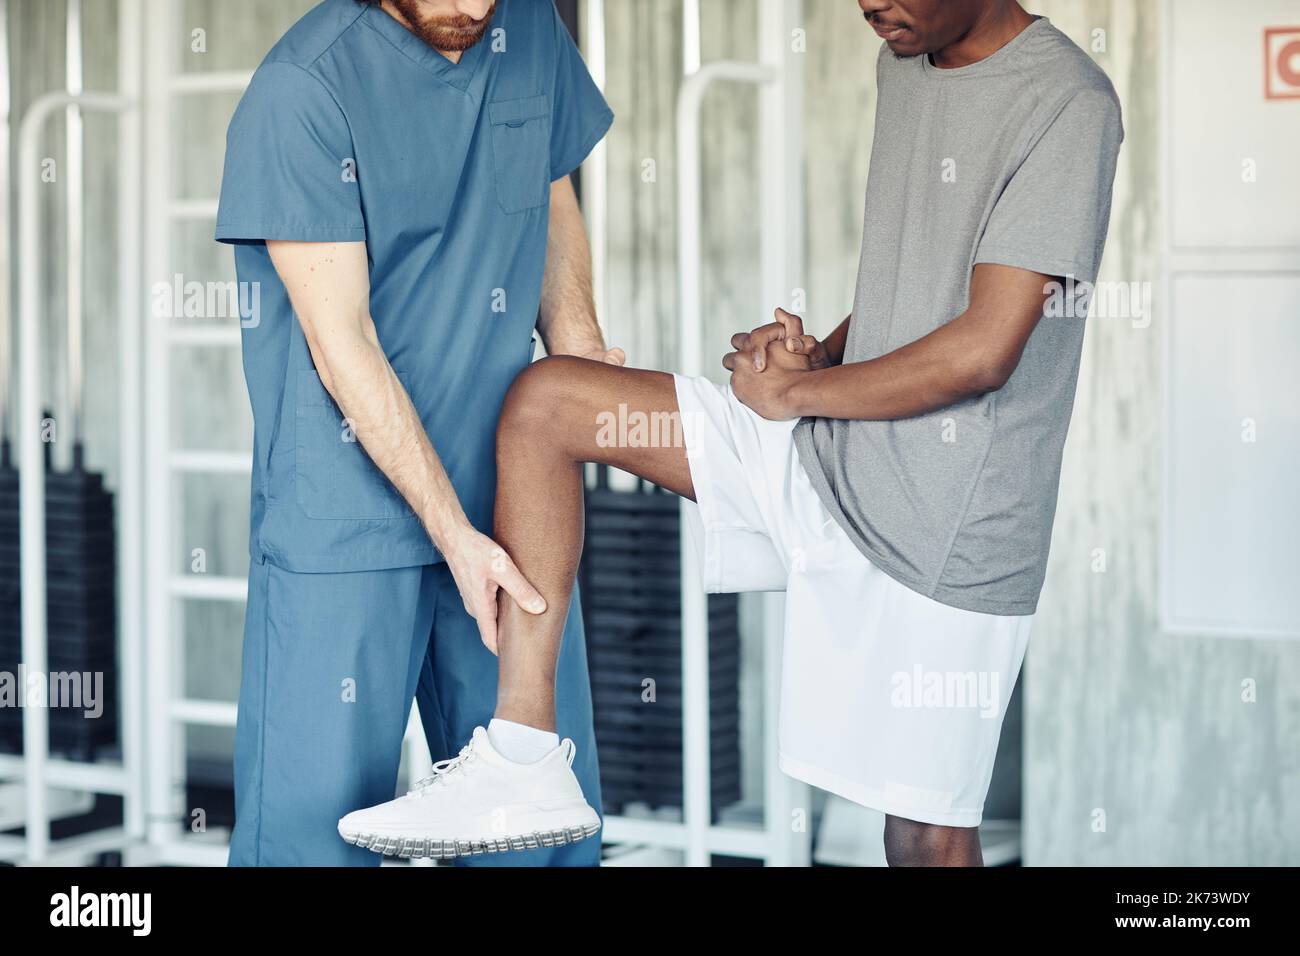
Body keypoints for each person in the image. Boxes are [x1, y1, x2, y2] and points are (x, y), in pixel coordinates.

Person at [341, 0, 1123, 866]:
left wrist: (799, 394)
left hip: (948, 528)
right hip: (832, 455)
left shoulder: (1067, 101)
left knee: (924, 837)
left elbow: (984, 349)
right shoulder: (904, 57)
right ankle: (524, 755)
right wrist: (814, 357)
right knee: (548, 404)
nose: (870, 6)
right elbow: (928, 281)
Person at [215, 0, 618, 866]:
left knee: (535, 824)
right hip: (346, 515)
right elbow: (341, 341)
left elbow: (548, 190)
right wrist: (452, 535)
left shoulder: (529, 32)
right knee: (315, 838)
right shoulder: (301, 91)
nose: (472, 7)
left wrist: (581, 357)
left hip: (515, 500)